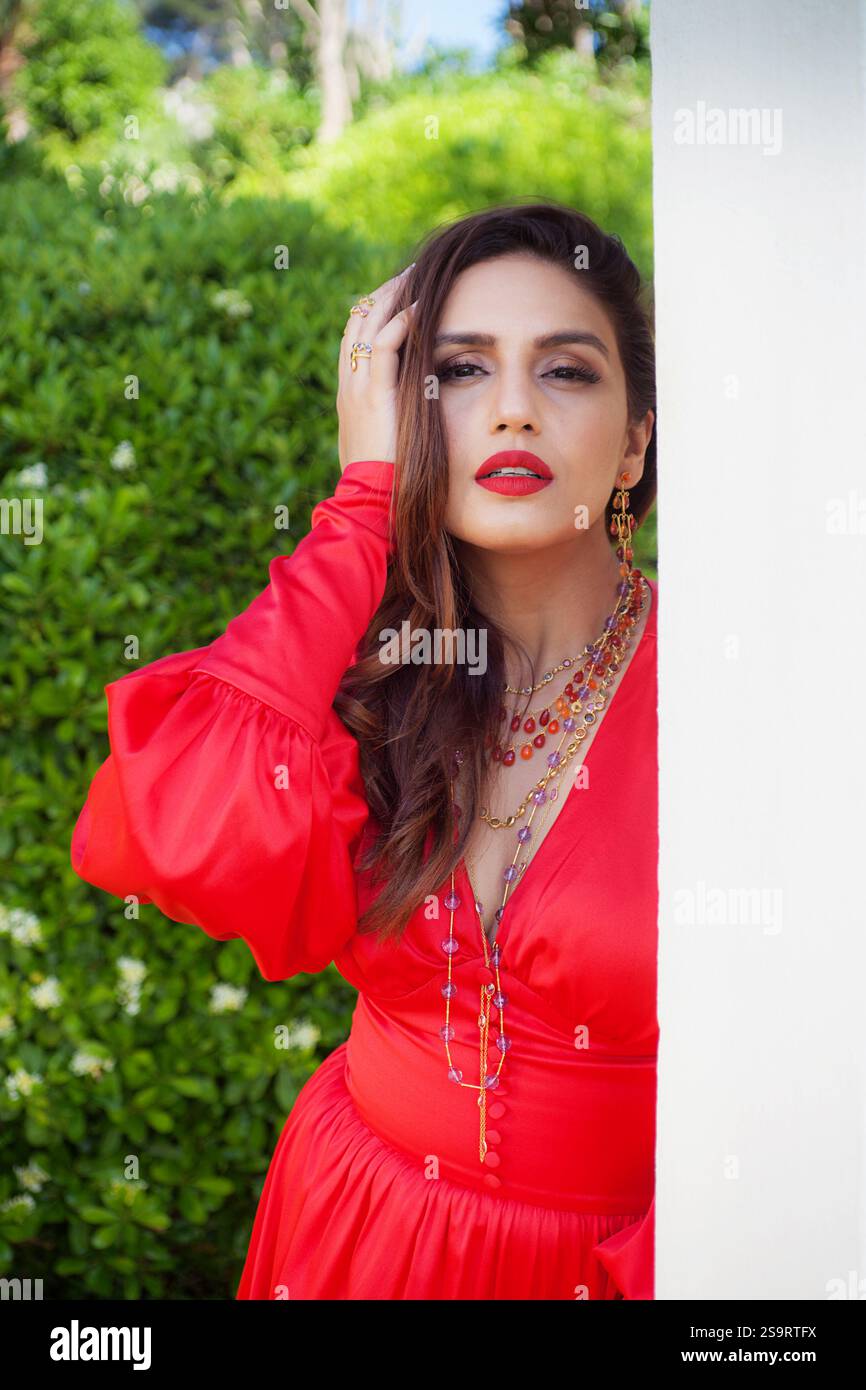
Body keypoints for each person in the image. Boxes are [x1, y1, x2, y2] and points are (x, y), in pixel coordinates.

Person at [71, 201, 659, 1300]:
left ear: (634, 440)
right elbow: (170, 830)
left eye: (566, 371)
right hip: (357, 1232)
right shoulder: (369, 671)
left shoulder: (729, 696)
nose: (514, 409)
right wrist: (360, 511)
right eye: (461, 371)